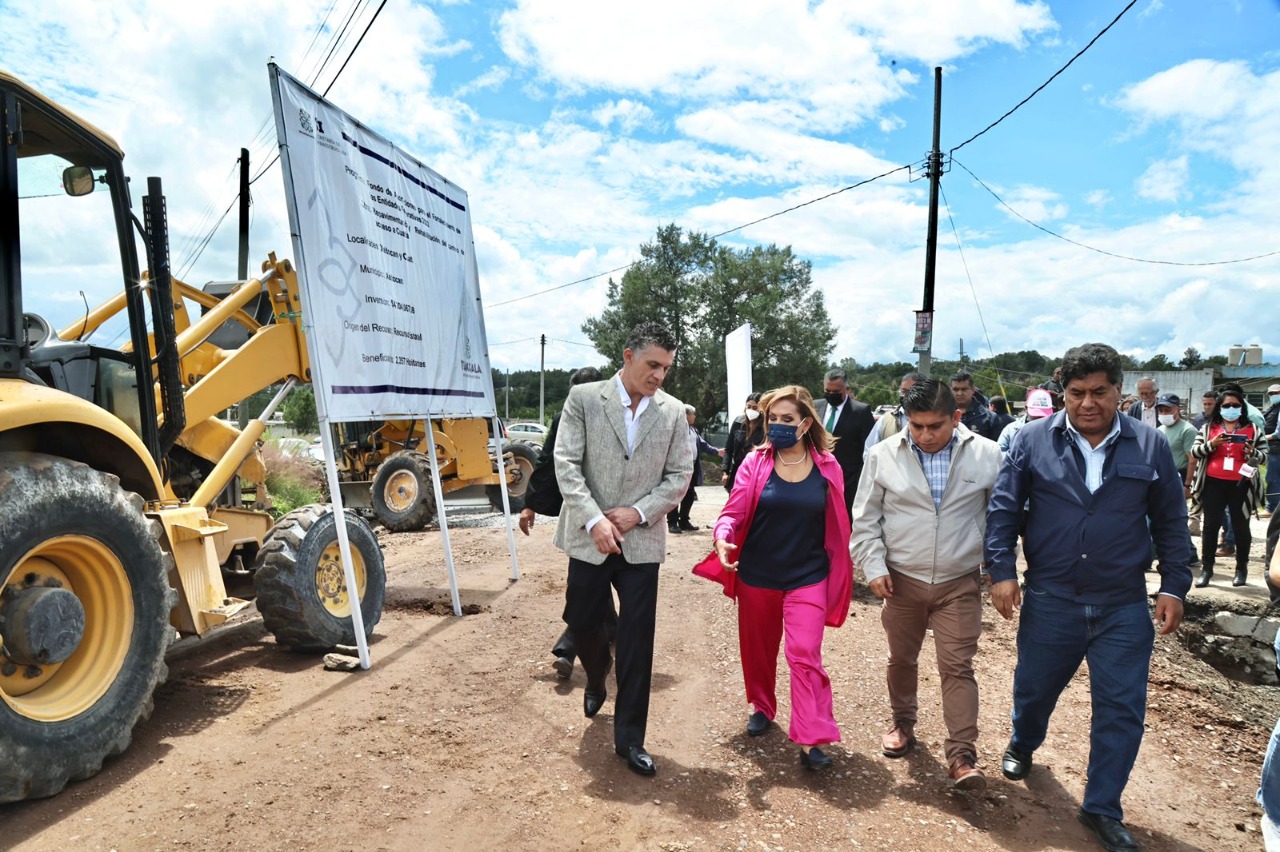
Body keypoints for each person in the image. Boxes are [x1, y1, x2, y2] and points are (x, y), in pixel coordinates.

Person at [985, 342, 1191, 852]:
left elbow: (1170, 520)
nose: (1088, 403)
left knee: (1121, 708)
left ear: (1119, 392)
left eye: (1100, 391)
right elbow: (1004, 511)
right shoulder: (1032, 441)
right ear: (1063, 394)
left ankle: (1102, 806)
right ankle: (1023, 741)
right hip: (1052, 597)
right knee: (1034, 689)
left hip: (1123, 604)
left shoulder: (1150, 446)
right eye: (1076, 393)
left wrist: (1173, 585)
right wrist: (1002, 571)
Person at [554, 321, 695, 777]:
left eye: (667, 368)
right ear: (628, 356)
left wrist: (638, 512)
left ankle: (630, 739)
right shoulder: (583, 399)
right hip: (589, 536)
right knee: (581, 619)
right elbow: (567, 464)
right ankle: (596, 674)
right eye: (653, 364)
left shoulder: (672, 413)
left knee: (638, 640)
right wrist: (595, 519)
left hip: (641, 541)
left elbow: (679, 476)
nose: (660, 376)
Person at [850, 379, 1001, 790]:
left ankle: (962, 756)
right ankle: (903, 724)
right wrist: (874, 565)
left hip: (959, 582)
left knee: (957, 666)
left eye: (935, 426)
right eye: (916, 426)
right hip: (901, 582)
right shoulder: (882, 456)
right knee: (901, 659)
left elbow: (1002, 519)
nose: (925, 435)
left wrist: (1000, 568)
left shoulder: (988, 456)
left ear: (956, 417)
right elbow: (865, 520)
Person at [711, 385, 853, 770]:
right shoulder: (754, 463)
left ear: (806, 423)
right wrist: (722, 538)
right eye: (772, 419)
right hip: (758, 574)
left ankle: (812, 736)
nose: (777, 426)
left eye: (786, 420)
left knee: (804, 653)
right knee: (759, 649)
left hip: (808, 575)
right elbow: (732, 512)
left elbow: (838, 524)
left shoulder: (828, 467)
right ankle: (761, 704)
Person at [516, 366, 613, 682]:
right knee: (590, 582)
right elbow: (551, 462)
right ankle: (590, 640)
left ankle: (571, 645)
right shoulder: (573, 418)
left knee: (589, 585)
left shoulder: (621, 416)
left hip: (612, 516)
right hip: (589, 515)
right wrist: (531, 503)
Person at [1189, 386, 1266, 588]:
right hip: (1213, 483)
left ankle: (1241, 569)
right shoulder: (1208, 429)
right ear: (1219, 408)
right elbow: (1195, 452)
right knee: (1210, 526)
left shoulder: (1253, 429)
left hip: (1242, 484)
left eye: (1235, 405)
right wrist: (1212, 445)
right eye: (1226, 405)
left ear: (1242, 407)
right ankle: (1207, 569)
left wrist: (1253, 453)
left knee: (1241, 526)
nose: (1231, 408)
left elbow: (1264, 456)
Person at [815, 368, 875, 515]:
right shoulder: (815, 407)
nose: (831, 395)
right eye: (827, 391)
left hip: (849, 482)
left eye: (836, 392)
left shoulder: (861, 411)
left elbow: (869, 449)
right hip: (818, 478)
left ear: (846, 389)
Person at [1157, 393, 1201, 570]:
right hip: (1162, 476)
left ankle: (1190, 554)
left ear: (1178, 409)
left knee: (1177, 517)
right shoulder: (1160, 430)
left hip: (1180, 477)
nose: (1164, 412)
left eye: (1168, 409)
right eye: (1161, 409)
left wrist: (1187, 485)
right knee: (1160, 517)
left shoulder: (1187, 430)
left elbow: (1192, 459)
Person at [670, 404, 723, 533]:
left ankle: (684, 521)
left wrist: (717, 451)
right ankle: (672, 523)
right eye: (693, 414)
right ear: (686, 415)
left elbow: (702, 444)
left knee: (689, 494)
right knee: (675, 495)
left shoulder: (693, 430)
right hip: (678, 466)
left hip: (692, 465)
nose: (695, 417)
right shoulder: (675, 429)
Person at [864, 372, 927, 458]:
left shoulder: (932, 421)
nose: (906, 396)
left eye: (911, 391)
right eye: (904, 391)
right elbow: (869, 453)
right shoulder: (886, 420)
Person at [723, 393, 764, 491]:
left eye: (755, 408)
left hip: (756, 472)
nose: (751, 410)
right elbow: (728, 449)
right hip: (737, 470)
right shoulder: (738, 422)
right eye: (749, 407)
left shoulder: (765, 426)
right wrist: (725, 471)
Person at [997, 388, 1054, 456]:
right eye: (1035, 416)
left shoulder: (1057, 431)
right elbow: (999, 454)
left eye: (1042, 417)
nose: (1039, 421)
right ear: (1026, 408)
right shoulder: (1010, 430)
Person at [950, 371, 1002, 442]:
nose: (960, 393)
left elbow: (995, 449)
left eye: (964, 389)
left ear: (973, 390)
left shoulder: (990, 418)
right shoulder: (943, 415)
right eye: (956, 389)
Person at [1264, 383, 1280, 517]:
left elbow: (1278, 433)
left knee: (1272, 478)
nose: (1274, 396)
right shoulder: (1273, 408)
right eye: (1272, 393)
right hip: (1273, 447)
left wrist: (1263, 437)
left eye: (1277, 393)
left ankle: (1272, 508)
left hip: (1276, 447)